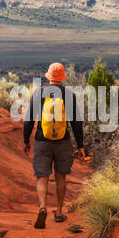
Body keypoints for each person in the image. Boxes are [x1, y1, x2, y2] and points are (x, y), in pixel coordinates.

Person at [23, 62, 87, 228]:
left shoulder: (39, 93)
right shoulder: (68, 95)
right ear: (62, 77)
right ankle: (58, 212)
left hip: (42, 141)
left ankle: (42, 207)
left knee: (42, 177)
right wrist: (80, 145)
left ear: (49, 76)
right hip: (63, 141)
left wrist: (26, 140)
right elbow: (76, 123)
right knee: (60, 177)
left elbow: (29, 120)